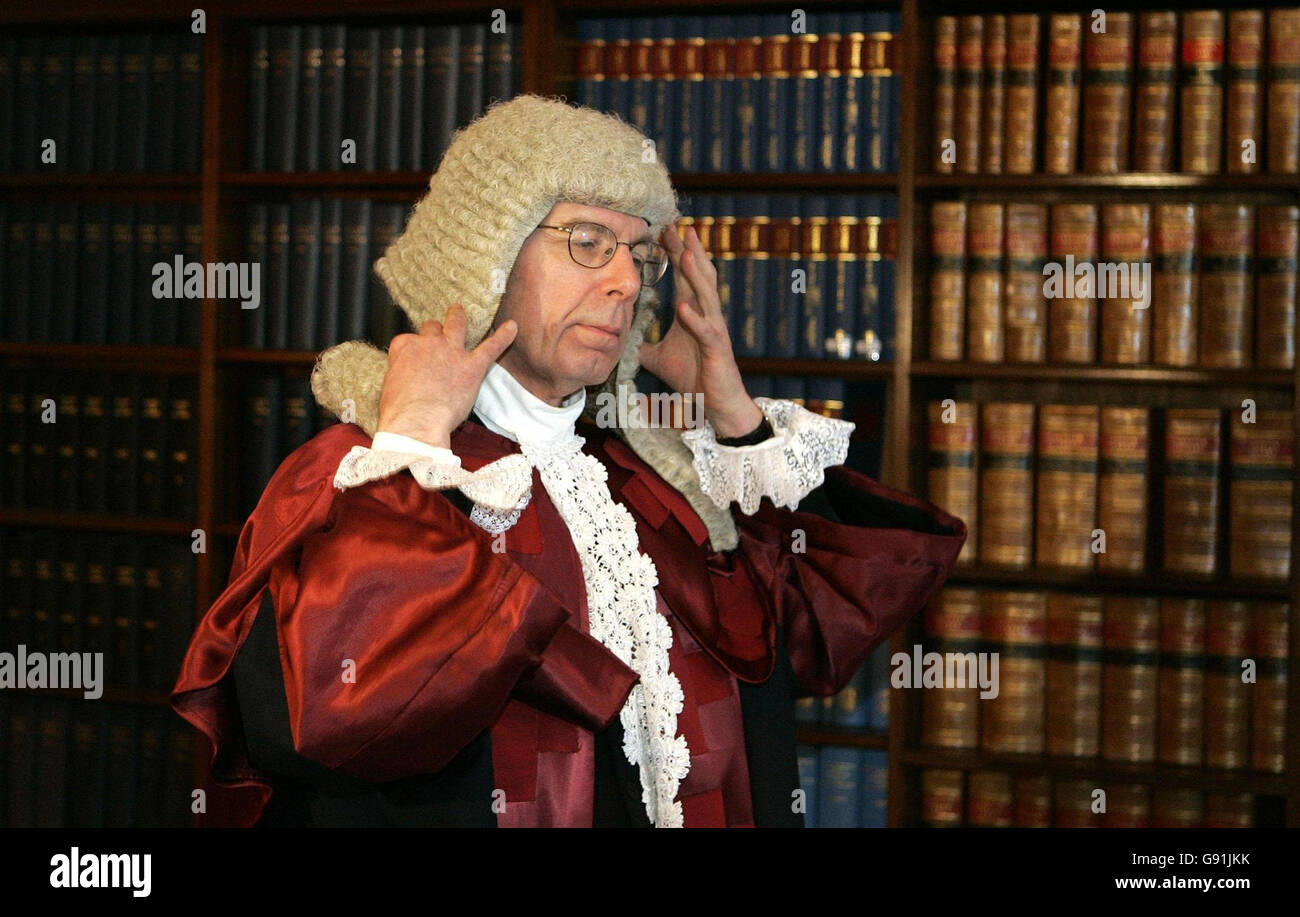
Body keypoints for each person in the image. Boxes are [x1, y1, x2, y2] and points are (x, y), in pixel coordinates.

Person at [170, 94, 966, 827]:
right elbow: (325, 714)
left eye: (639, 254)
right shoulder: (367, 471)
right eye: (587, 242)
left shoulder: (653, 482)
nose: (624, 281)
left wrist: (730, 410)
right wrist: (413, 436)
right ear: (485, 259)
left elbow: (820, 627)